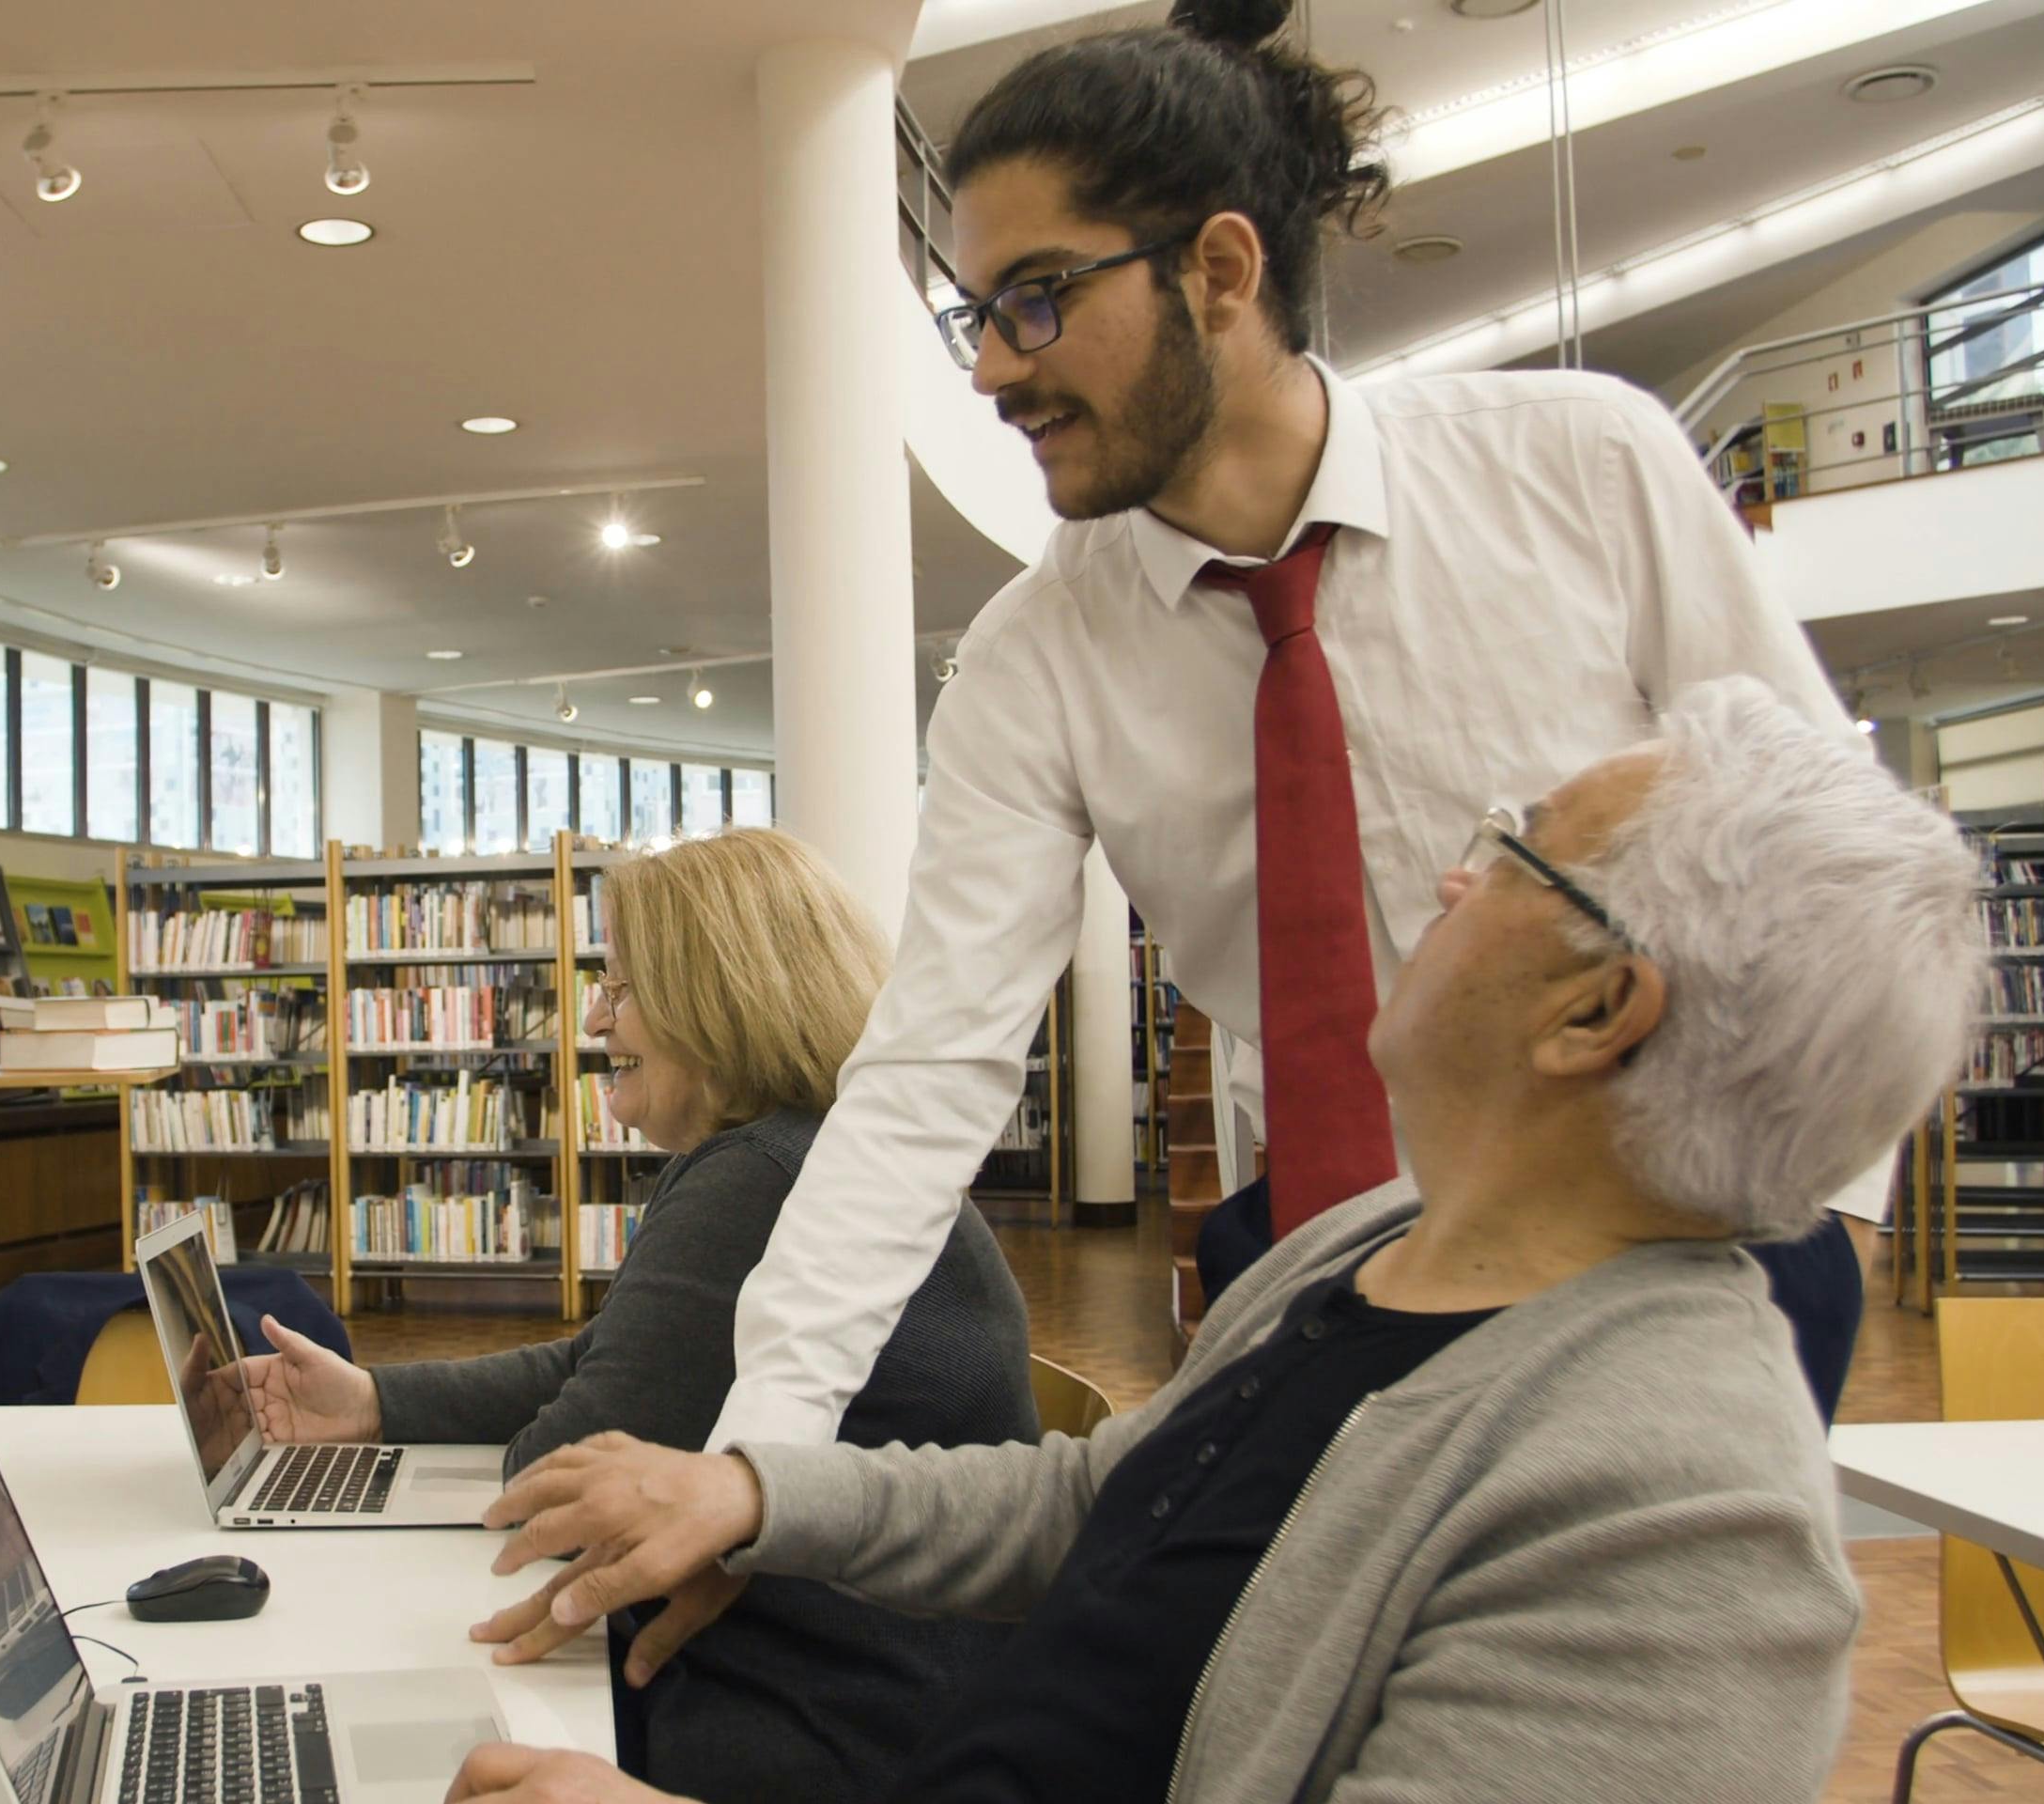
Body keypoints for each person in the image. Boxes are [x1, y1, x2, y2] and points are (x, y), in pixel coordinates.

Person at [355, 681, 1983, 1804]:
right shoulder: (1370, 1254)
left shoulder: (1686, 1521)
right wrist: (759, 1498)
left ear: (1597, 1012)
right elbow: (1096, 1501)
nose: (1444, 881)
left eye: (1513, 859)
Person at [692, 0, 1880, 1485]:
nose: (993, 370)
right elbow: (933, 1062)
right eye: (976, 313)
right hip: (1328, 1261)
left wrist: (1835, 1210)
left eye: (1038, 297)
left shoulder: (1585, 467)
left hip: (1673, 1237)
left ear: (1222, 269)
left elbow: (1834, 864)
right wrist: (761, 1449)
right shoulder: (1035, 656)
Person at [245, 828, 1037, 1804]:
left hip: (829, 1760)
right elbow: (603, 1368)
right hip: (921, 1710)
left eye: (624, 987)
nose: (596, 1017)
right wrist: (375, 1403)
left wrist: (538, 1424)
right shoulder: (814, 1157)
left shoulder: (758, 1175)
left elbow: (562, 1464)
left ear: (719, 1000)